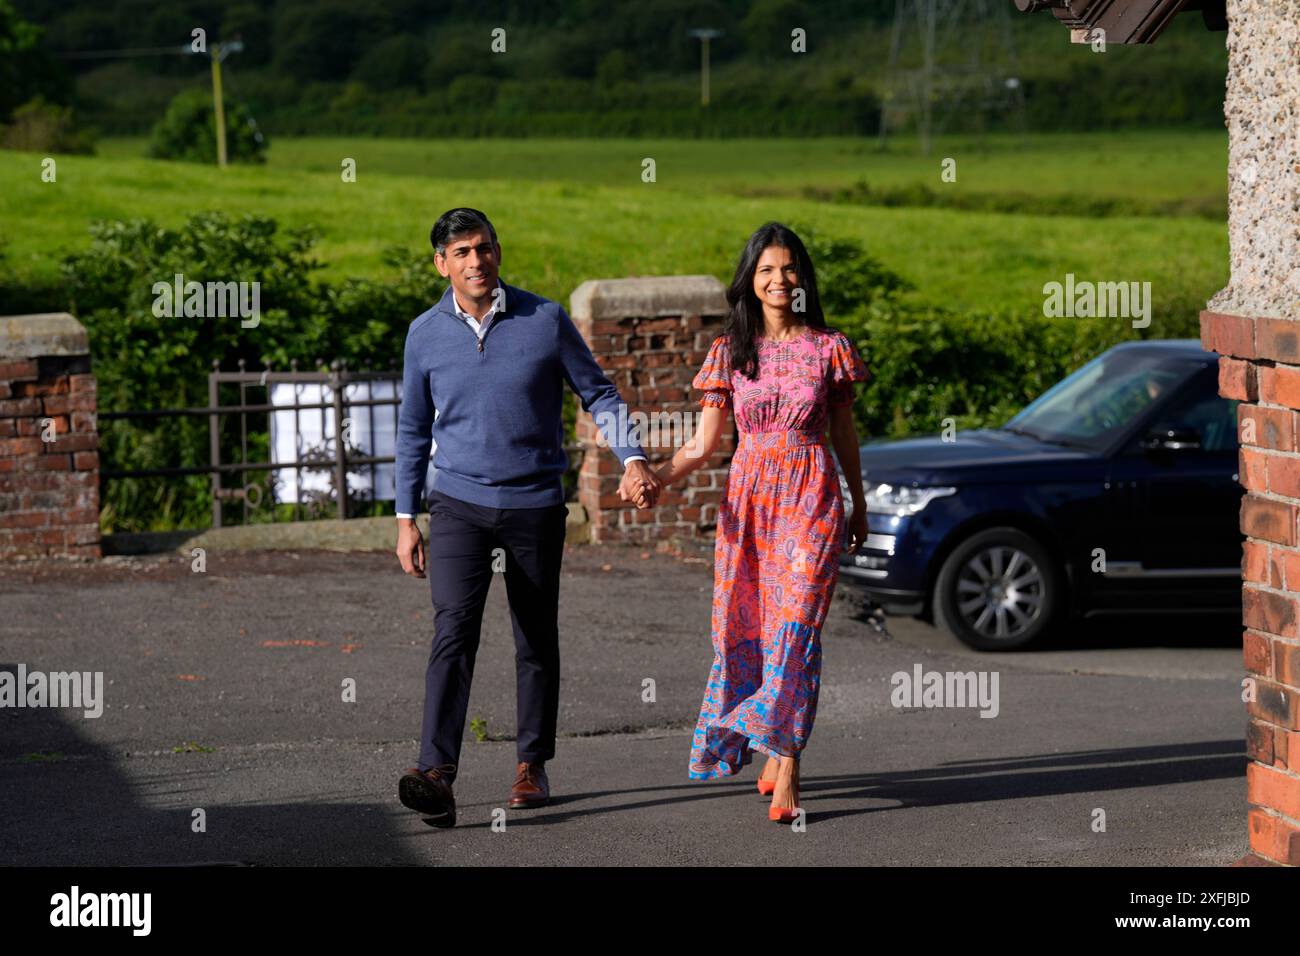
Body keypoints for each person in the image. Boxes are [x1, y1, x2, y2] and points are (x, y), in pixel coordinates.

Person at [394, 207, 661, 828]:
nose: (476, 261)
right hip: (457, 504)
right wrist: (407, 516)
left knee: (534, 637)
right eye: (461, 252)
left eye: (484, 248)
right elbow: (412, 430)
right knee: (451, 633)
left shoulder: (544, 319)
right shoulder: (424, 334)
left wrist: (634, 456)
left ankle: (531, 763)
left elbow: (598, 392)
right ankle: (436, 772)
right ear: (441, 264)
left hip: (535, 504)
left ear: (498, 252)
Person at [648, 222, 870, 823]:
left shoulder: (830, 348)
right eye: (767, 269)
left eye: (790, 268)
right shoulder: (730, 353)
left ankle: (788, 753)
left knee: (797, 627)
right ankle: (767, 740)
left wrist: (858, 500)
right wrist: (655, 477)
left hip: (811, 497)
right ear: (750, 279)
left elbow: (844, 432)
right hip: (749, 507)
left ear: (803, 278)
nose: (779, 279)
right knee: (743, 631)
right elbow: (700, 447)